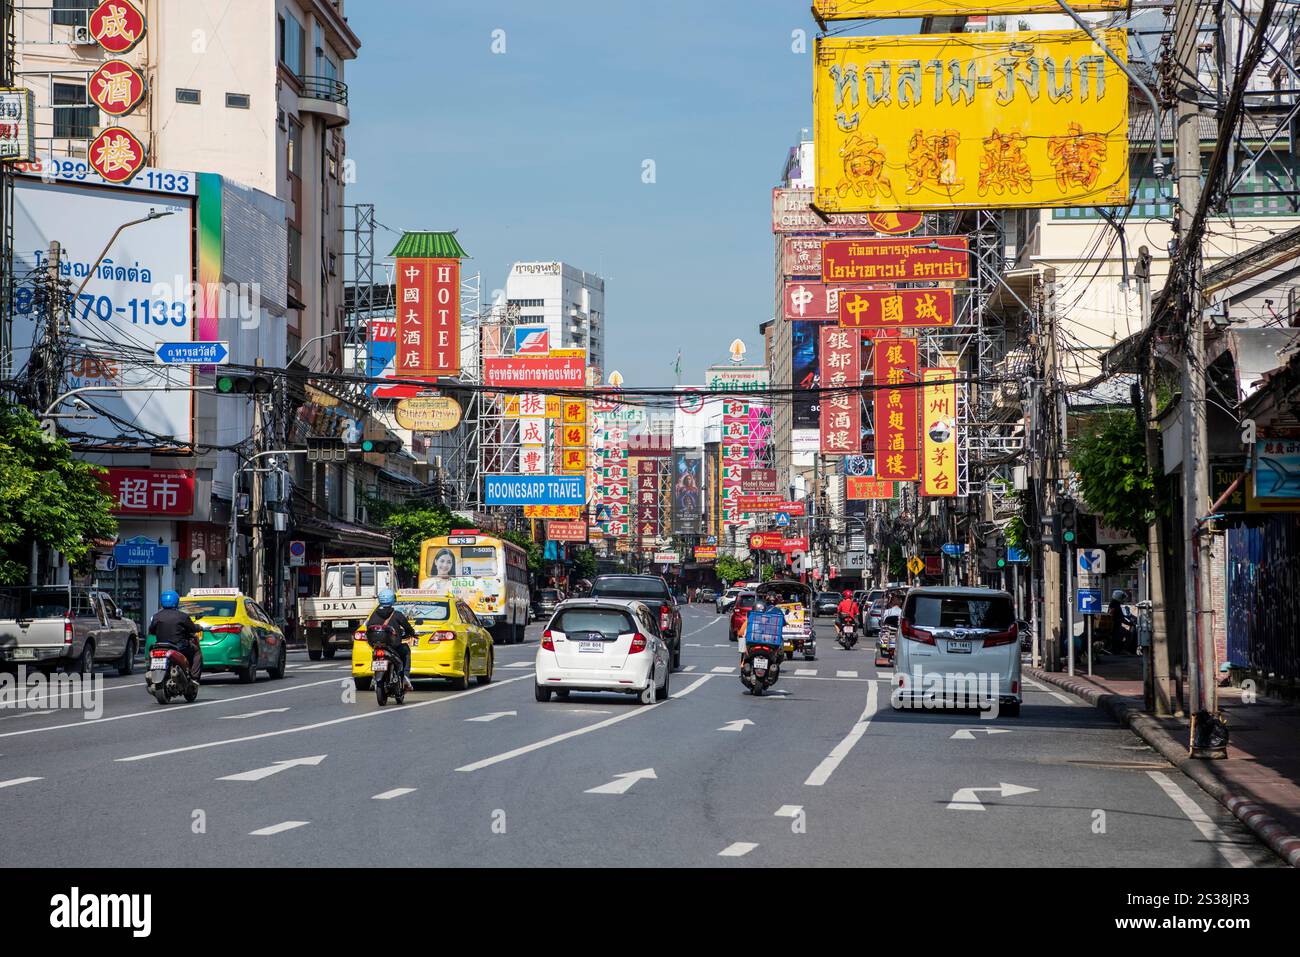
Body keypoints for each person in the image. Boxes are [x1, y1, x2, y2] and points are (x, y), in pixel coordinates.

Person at [366, 588, 416, 691]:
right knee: (406, 650)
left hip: (376, 646)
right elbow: (408, 628)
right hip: (394, 647)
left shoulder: (373, 615)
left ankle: (374, 677)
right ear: (393, 600)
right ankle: (405, 676)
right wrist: (411, 633)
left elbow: (368, 627)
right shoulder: (396, 614)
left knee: (374, 655)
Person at [147, 590, 202, 680]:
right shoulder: (182, 616)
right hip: (179, 646)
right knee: (197, 653)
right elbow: (192, 628)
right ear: (176, 601)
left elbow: (151, 630)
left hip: (160, 646)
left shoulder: (156, 616)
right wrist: (199, 627)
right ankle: (194, 677)